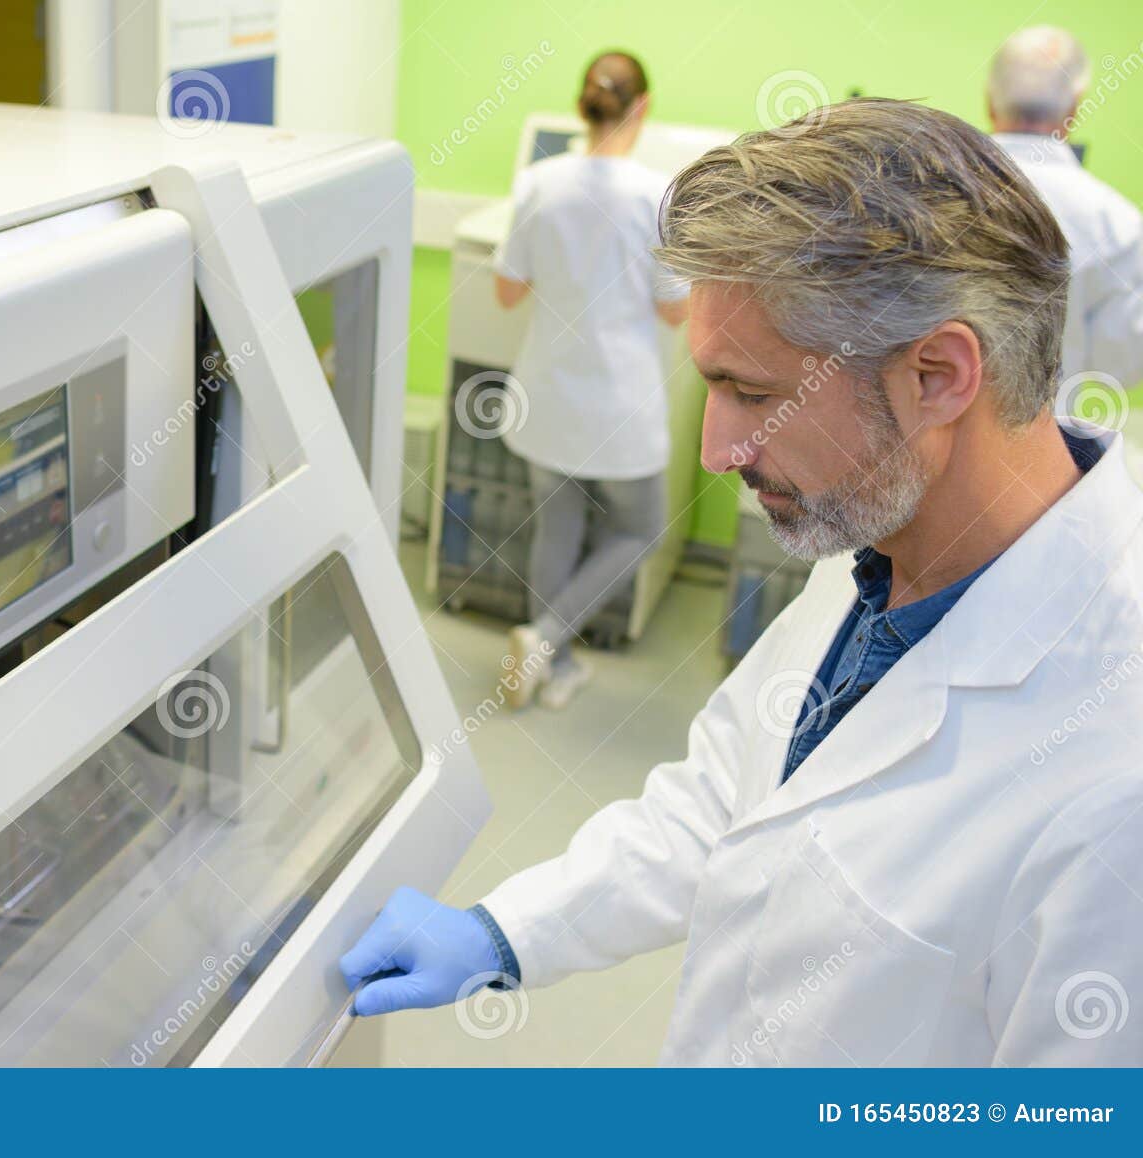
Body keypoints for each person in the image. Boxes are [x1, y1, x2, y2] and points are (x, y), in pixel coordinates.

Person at [341, 99, 1143, 1065]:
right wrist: (506, 933)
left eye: (755, 395)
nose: (720, 451)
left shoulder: (1113, 780)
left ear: (936, 375)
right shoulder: (886, 544)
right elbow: (724, 801)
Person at [489, 50, 689, 711]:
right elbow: (675, 308)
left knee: (559, 526)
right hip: (616, 400)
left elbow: (507, 292)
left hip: (548, 393)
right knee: (639, 530)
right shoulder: (656, 195)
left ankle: (549, 658)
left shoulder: (539, 182)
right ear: (643, 107)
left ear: (582, 104)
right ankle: (547, 640)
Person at [988, 25, 1143, 386]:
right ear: (1075, 104)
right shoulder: (1116, 223)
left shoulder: (929, 196)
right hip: (1060, 433)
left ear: (989, 100)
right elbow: (1122, 362)